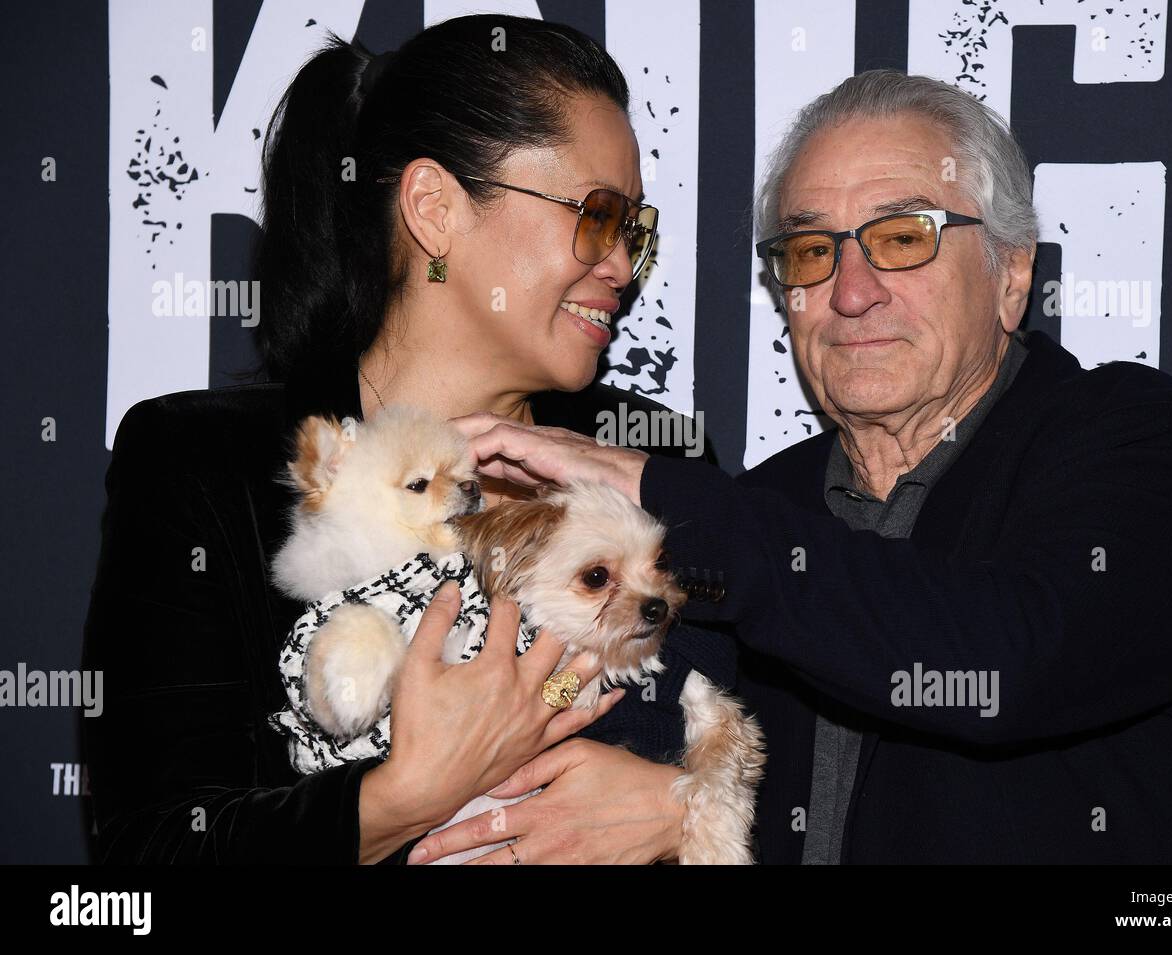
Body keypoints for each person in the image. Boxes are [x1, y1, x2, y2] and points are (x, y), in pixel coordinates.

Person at [432, 70, 1172, 864]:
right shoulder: (762, 504)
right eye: (811, 250)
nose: (851, 291)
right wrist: (660, 800)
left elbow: (1003, 662)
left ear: (1011, 274)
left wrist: (653, 485)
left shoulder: (1129, 435)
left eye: (903, 237)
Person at [81, 14, 732, 865]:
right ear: (433, 210)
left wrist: (682, 808)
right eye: (596, 215)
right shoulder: (205, 470)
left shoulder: (660, 461)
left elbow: (760, 752)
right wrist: (401, 798)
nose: (619, 266)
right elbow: (149, 854)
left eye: (631, 231)